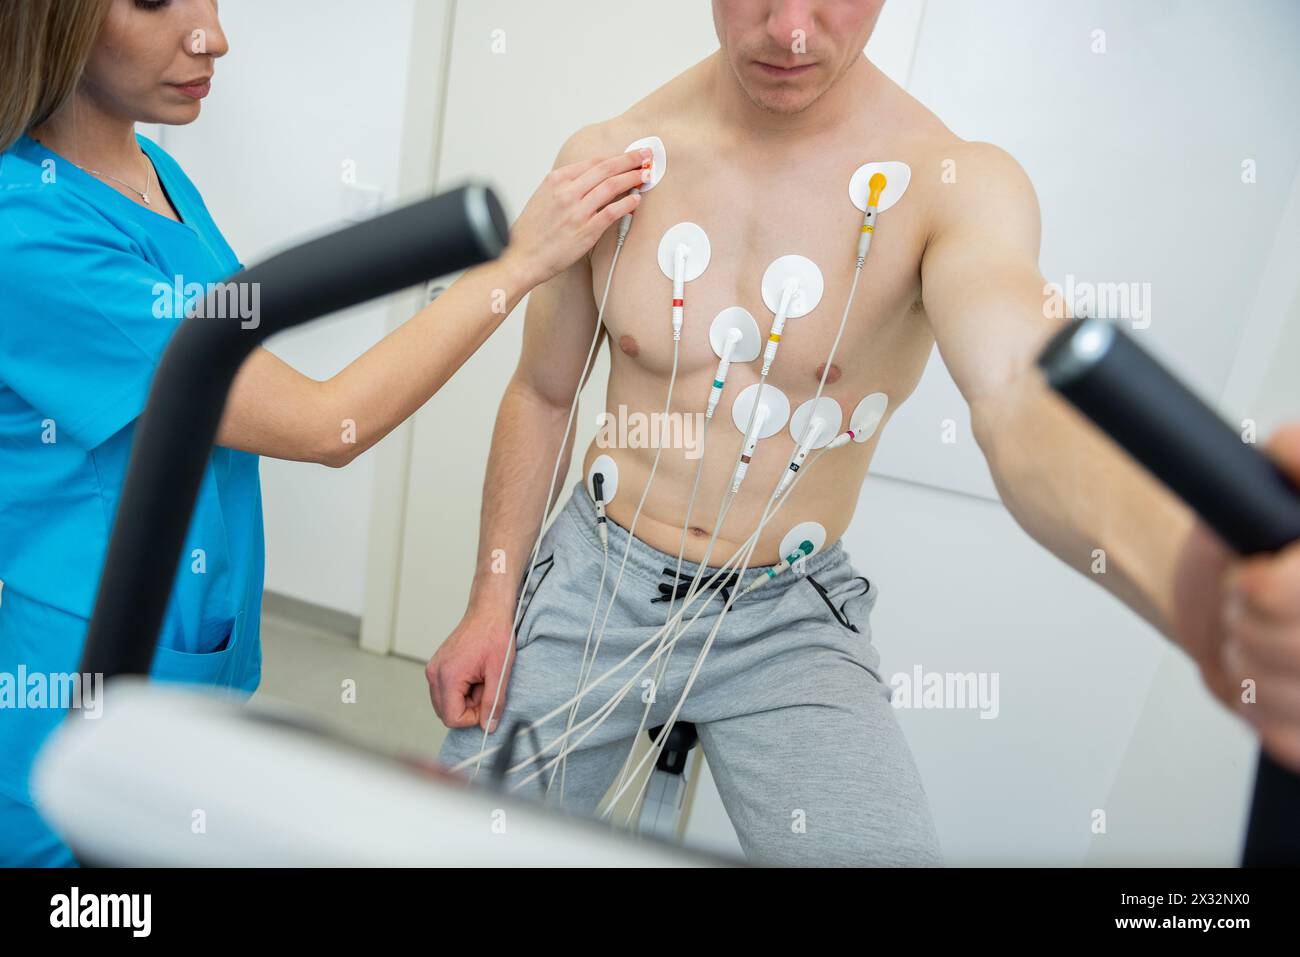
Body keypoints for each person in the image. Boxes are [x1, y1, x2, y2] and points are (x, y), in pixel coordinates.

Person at [429, 0, 1300, 866]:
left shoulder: (952, 182)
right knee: (457, 850)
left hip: (784, 612)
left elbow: (1016, 391)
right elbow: (544, 393)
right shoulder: (607, 159)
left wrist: (1199, 583)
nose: (791, 29)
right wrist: (490, 600)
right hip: (595, 573)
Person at [0, 0, 646, 866]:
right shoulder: (29, 232)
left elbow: (228, 345)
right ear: (52, 21)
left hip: (199, 629)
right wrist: (518, 260)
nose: (213, 35)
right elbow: (324, 422)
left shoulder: (149, 166)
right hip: (82, 668)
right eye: (156, 1)